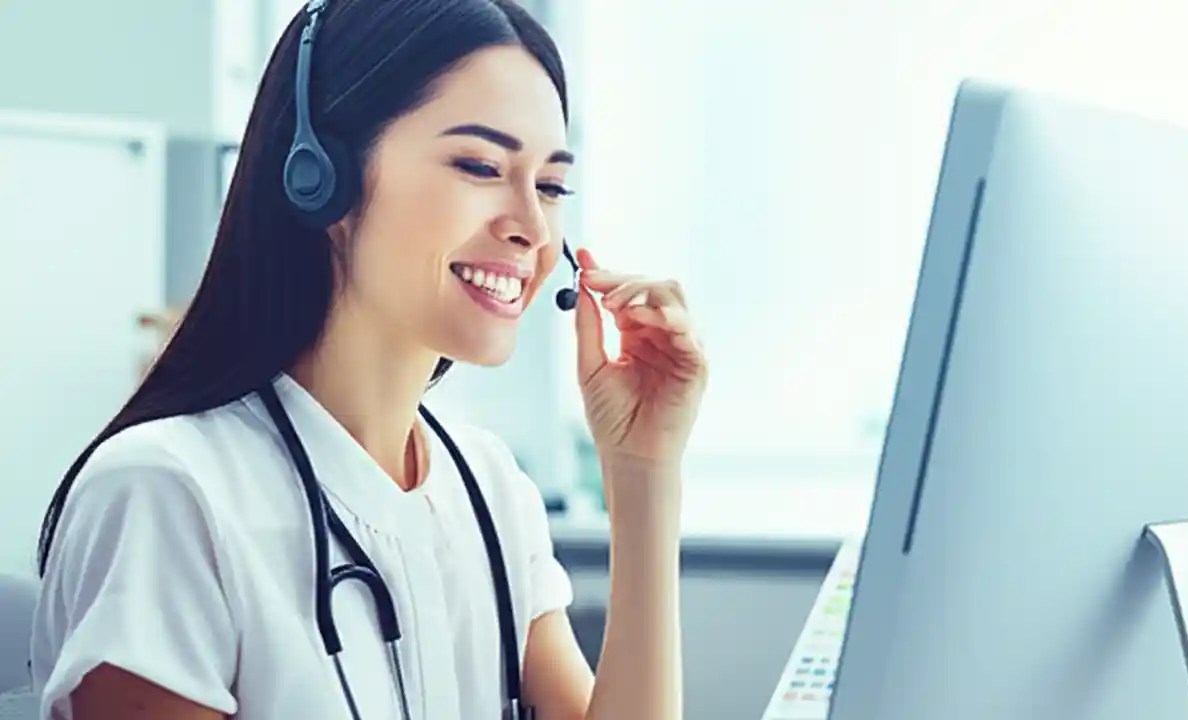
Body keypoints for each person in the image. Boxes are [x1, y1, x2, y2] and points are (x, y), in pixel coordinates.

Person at [28, 1, 707, 718]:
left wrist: (643, 473)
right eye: (480, 166)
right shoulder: (167, 496)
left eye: (550, 186)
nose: (533, 229)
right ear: (320, 176)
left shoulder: (489, 491)